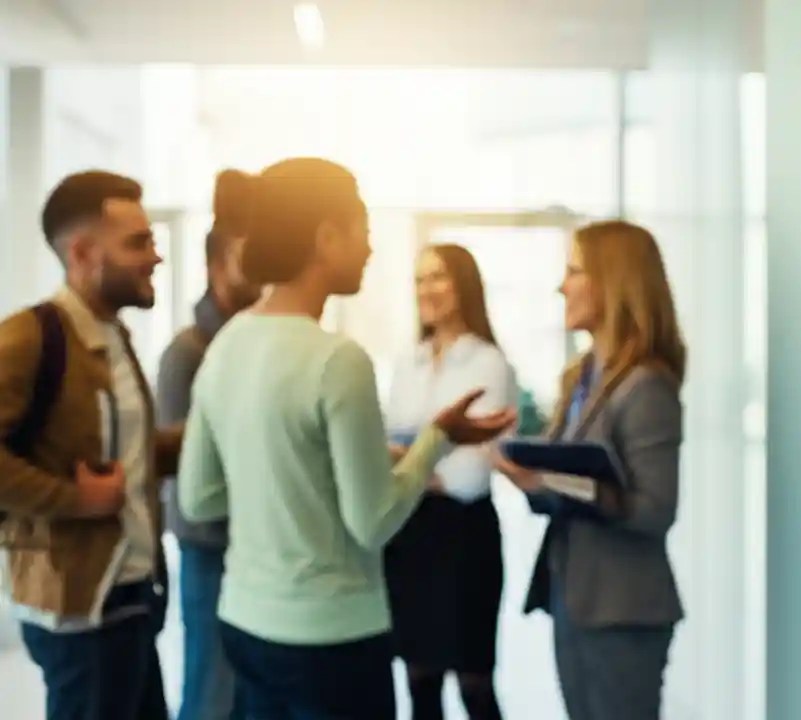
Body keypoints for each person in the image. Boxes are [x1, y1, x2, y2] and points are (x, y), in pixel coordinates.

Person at [176, 157, 516, 720]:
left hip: (245, 623)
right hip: (330, 640)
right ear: (325, 237)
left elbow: (199, 497)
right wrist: (438, 438)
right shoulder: (338, 360)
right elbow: (375, 519)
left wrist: (293, 481)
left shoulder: (227, 346)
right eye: (363, 232)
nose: (370, 250)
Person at [0, 170, 181, 720]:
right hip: (81, 615)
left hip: (130, 599)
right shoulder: (30, 337)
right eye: (137, 243)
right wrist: (75, 500)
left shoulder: (113, 335)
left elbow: (129, 455)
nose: (154, 257)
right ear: (81, 252)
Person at [493, 220, 686, 720]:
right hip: (575, 597)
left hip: (623, 609)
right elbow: (561, 489)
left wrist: (557, 484)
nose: (562, 286)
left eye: (574, 271)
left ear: (612, 282)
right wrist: (528, 478)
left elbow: (655, 510)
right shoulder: (581, 376)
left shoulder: (646, 387)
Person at [383, 244, 517, 720]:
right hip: (411, 536)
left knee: (474, 683)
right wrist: (425, 458)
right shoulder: (408, 362)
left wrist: (412, 461)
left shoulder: (487, 363)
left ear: (464, 285)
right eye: (420, 279)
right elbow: (386, 445)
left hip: (464, 538)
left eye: (438, 277)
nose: (427, 289)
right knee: (419, 681)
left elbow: (470, 474)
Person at [157, 169, 262, 720]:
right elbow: (181, 468)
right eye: (252, 258)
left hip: (251, 553)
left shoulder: (252, 342)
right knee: (211, 696)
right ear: (218, 263)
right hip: (209, 551)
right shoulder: (188, 353)